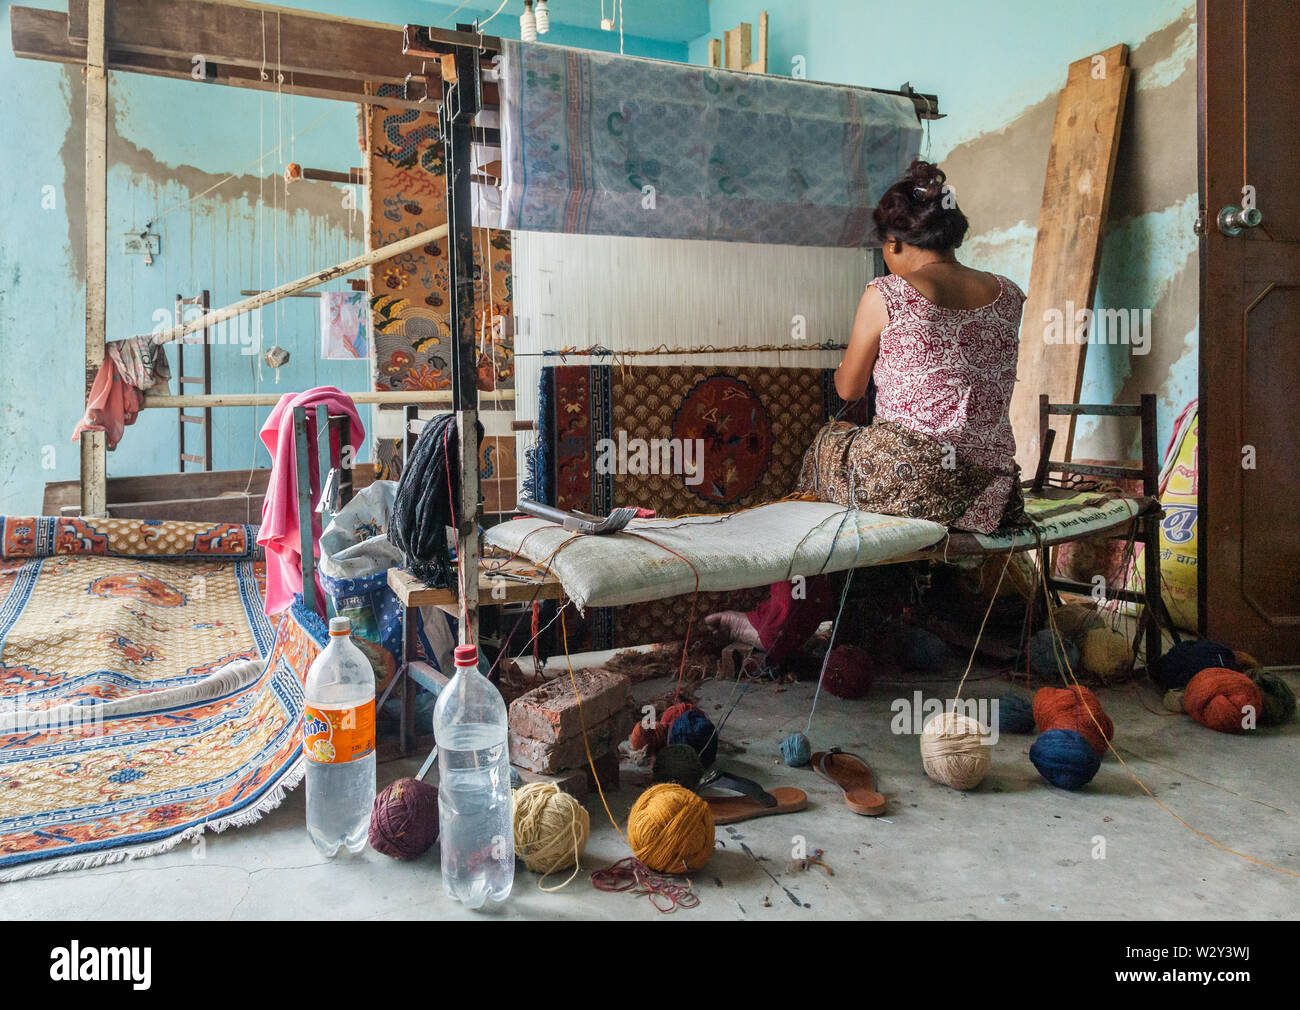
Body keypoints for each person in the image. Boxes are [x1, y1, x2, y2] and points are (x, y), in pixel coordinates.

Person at [707, 159, 1026, 661]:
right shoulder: (1009, 294)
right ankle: (898, 607)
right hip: (993, 487)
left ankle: (781, 621)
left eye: (884, 248)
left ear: (895, 244)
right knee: (864, 457)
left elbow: (850, 388)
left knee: (826, 446)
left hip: (918, 478)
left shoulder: (888, 294)